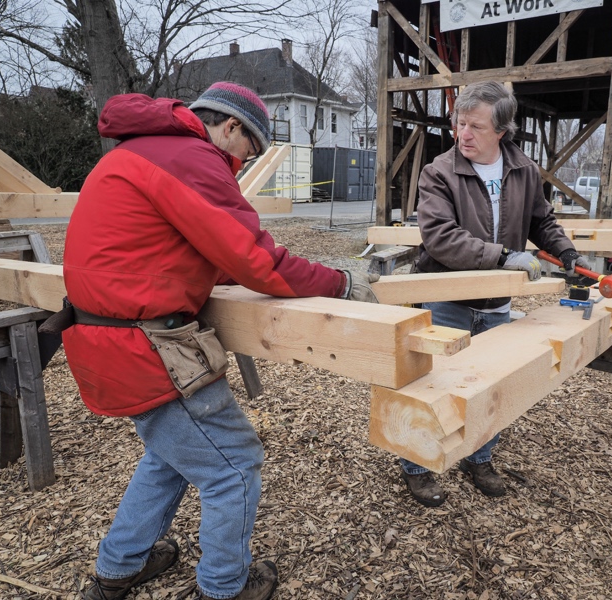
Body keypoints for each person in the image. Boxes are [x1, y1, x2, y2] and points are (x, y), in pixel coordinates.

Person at [57, 82, 378, 600]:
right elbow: (255, 256)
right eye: (246, 153)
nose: (241, 166)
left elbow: (170, 248)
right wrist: (341, 282)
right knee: (234, 465)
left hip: (107, 337)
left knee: (174, 454)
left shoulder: (142, 149)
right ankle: (225, 586)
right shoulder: (191, 157)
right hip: (146, 345)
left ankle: (118, 569)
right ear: (231, 127)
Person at [400, 81, 589, 507]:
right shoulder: (439, 172)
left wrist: (565, 250)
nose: (462, 134)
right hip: (448, 299)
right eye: (459, 123)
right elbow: (440, 237)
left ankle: (479, 457)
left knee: (492, 386)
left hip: (498, 304)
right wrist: (503, 256)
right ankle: (418, 466)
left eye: (475, 127)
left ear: (502, 130)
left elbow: (542, 220)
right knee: (432, 386)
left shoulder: (523, 170)